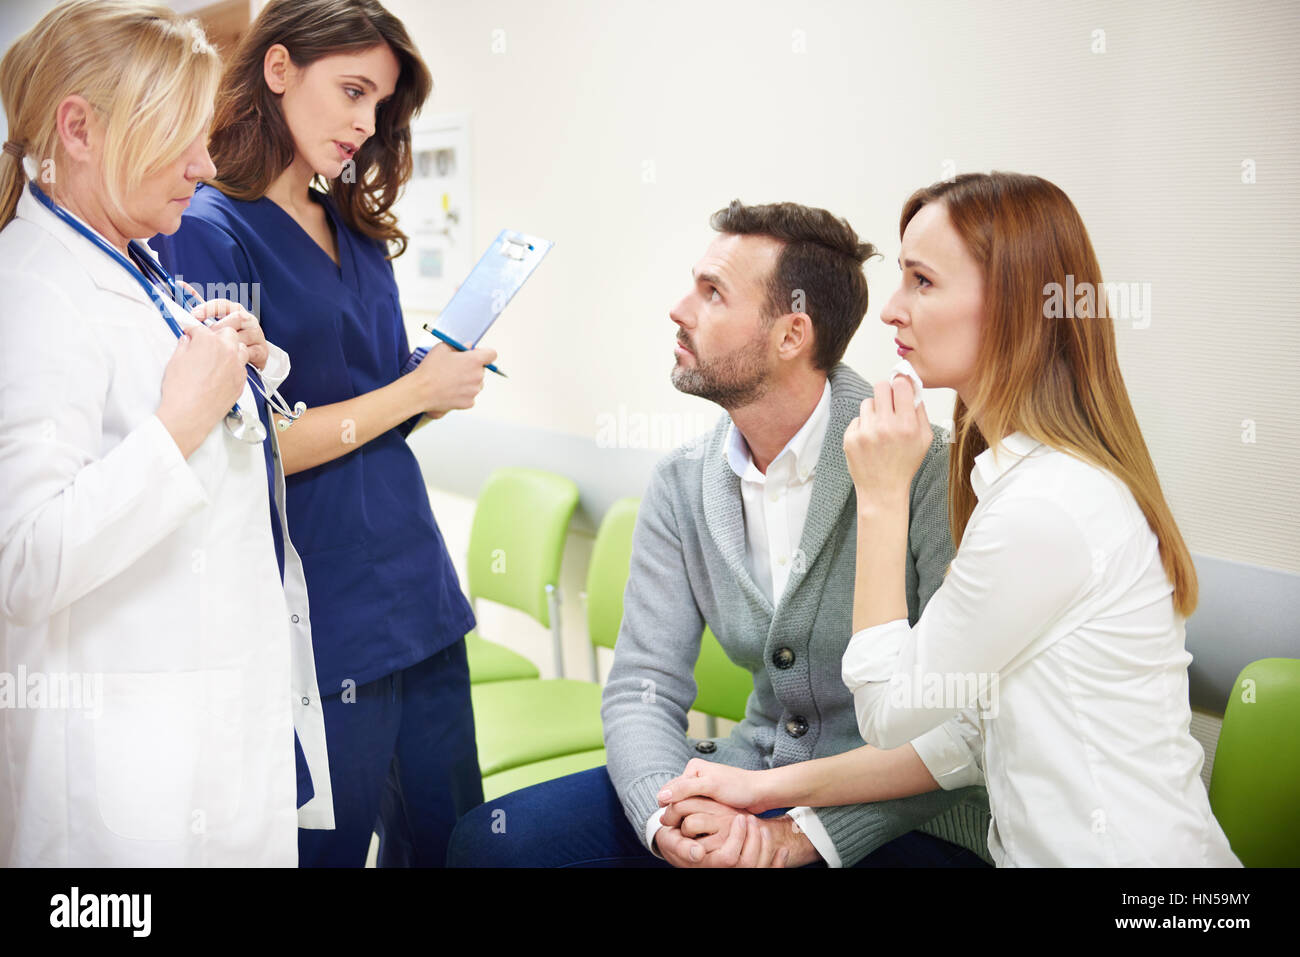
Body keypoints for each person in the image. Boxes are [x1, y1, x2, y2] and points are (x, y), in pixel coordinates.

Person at [656, 173, 1242, 867]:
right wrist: (761, 787)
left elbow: (888, 709)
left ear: (1014, 307)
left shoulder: (1045, 508)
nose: (891, 310)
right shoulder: (1013, 482)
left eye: (922, 281)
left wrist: (879, 495)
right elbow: (960, 735)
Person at [448, 200, 992, 867]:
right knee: (490, 843)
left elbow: (957, 726)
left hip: (909, 816)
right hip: (748, 781)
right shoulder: (682, 482)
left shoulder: (924, 467)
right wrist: (663, 812)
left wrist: (799, 838)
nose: (680, 309)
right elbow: (643, 682)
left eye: (712, 293)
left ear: (791, 334)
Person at [153, 0, 494, 868]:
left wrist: (432, 384)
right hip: (319, 618)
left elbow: (375, 402)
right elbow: (252, 448)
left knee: (452, 845)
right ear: (277, 70)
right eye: (351, 90)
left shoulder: (357, 231)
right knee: (324, 853)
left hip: (418, 593)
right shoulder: (206, 230)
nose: (364, 123)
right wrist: (410, 390)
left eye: (379, 105)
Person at [0, 0, 331, 866]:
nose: (205, 163)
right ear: (79, 128)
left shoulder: (127, 257)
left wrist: (252, 367)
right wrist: (176, 424)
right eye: (181, 136)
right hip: (124, 781)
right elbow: (23, 561)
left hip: (210, 734)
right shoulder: (33, 289)